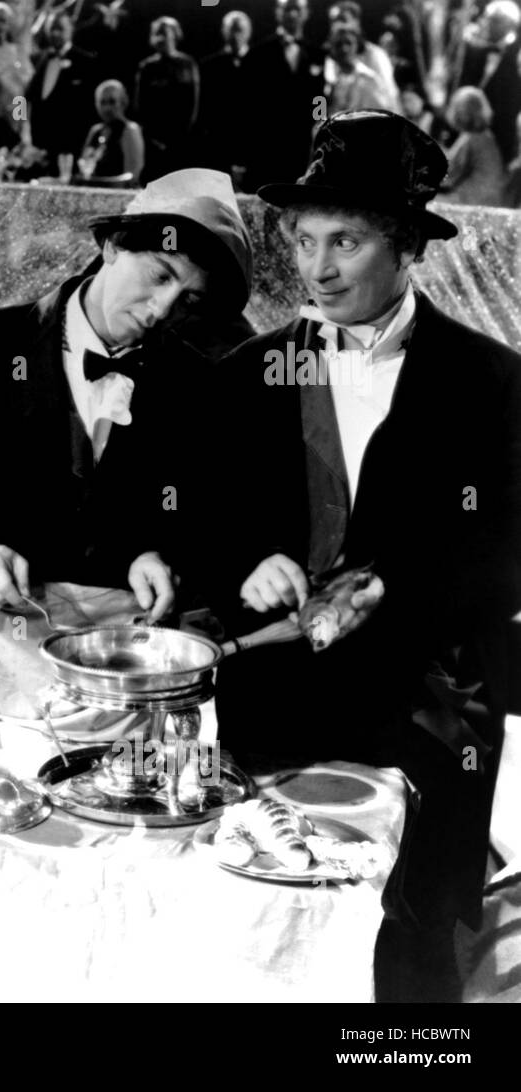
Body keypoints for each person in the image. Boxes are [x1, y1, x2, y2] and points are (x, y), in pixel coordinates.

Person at [212, 110, 521, 1002]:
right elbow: (205, 520)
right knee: (268, 936)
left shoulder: (490, 381)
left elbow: (508, 553)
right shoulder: (251, 374)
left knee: (406, 958)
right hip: (273, 709)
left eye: (344, 240)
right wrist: (249, 558)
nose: (317, 268)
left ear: (408, 248)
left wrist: (396, 588)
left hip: (422, 712)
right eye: (304, 240)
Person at [0, 168, 254, 765]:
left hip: (114, 675)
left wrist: (153, 553)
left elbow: (194, 515)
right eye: (159, 275)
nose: (163, 309)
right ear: (111, 245)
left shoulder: (193, 384)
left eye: (187, 297)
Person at [243, 0, 326, 192]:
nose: (293, 15)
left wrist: (319, 123)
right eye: (288, 8)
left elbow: (320, 97)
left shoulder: (318, 53)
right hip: (266, 141)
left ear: (306, 13)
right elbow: (247, 103)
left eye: (297, 9)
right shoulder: (258, 53)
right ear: (278, 13)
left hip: (303, 141)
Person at [25, 10, 99, 174]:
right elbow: (21, 98)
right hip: (38, 149)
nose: (55, 33)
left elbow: (90, 110)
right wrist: (21, 127)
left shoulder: (86, 61)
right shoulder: (38, 59)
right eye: (51, 28)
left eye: (60, 28)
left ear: (71, 30)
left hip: (70, 149)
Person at [133, 15, 199, 182]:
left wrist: (182, 137)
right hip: (153, 140)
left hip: (181, 139)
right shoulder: (147, 67)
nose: (161, 37)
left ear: (175, 34)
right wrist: (152, 138)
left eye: (164, 32)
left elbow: (193, 103)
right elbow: (141, 105)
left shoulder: (187, 64)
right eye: (157, 33)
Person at [453, 0, 521, 161]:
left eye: (492, 20)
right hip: (472, 127)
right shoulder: (480, 49)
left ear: (507, 25)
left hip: (499, 132)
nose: (486, 23)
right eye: (487, 18)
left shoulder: (516, 53)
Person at [198, 10, 253, 182]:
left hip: (252, 140)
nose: (236, 35)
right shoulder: (209, 66)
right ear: (224, 32)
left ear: (248, 32)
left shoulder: (262, 62)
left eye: (240, 29)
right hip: (219, 142)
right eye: (232, 29)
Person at [441, 85, 508, 205]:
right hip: (493, 200)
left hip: (471, 200)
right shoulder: (487, 136)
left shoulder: (470, 138)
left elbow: (448, 174)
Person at [80, 79, 144, 185]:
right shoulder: (96, 131)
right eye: (102, 102)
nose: (107, 108)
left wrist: (97, 183)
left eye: (112, 102)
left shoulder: (129, 130)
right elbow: (84, 166)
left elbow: (131, 177)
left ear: (123, 103)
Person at [326, 22, 395, 114]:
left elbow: (381, 114)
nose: (344, 49)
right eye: (338, 44)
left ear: (357, 46)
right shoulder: (329, 80)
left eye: (348, 43)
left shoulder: (369, 79)